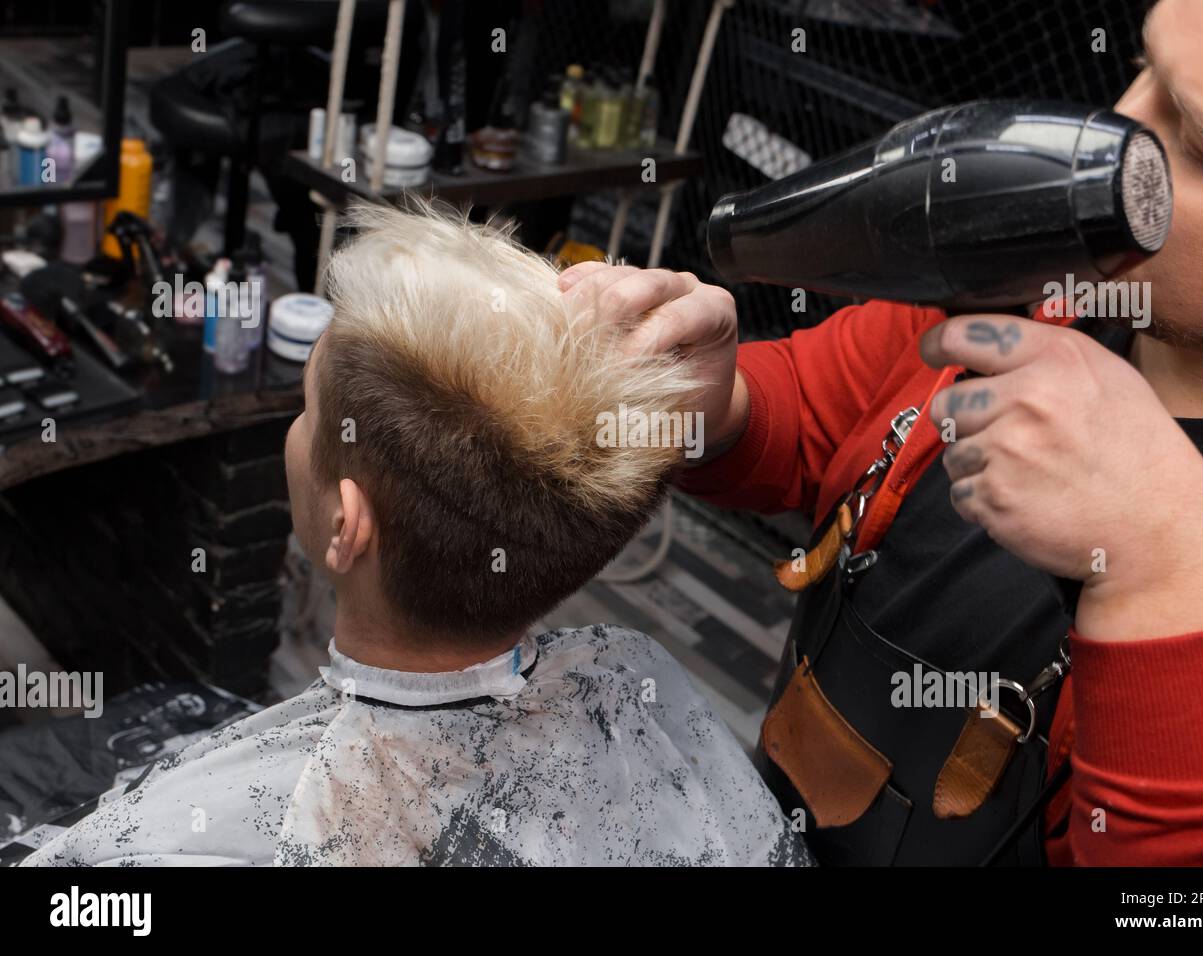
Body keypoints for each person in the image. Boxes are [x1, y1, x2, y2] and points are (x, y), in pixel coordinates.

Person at [556, 0, 1203, 865]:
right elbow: (813, 412)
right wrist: (713, 402)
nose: (1117, 133)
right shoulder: (1032, 287)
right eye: (1142, 70)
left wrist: (1161, 571)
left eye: (1197, 145)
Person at [22, 201, 810, 867]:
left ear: (346, 525)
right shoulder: (640, 683)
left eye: (307, 410)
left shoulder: (207, 836)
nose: (296, 432)